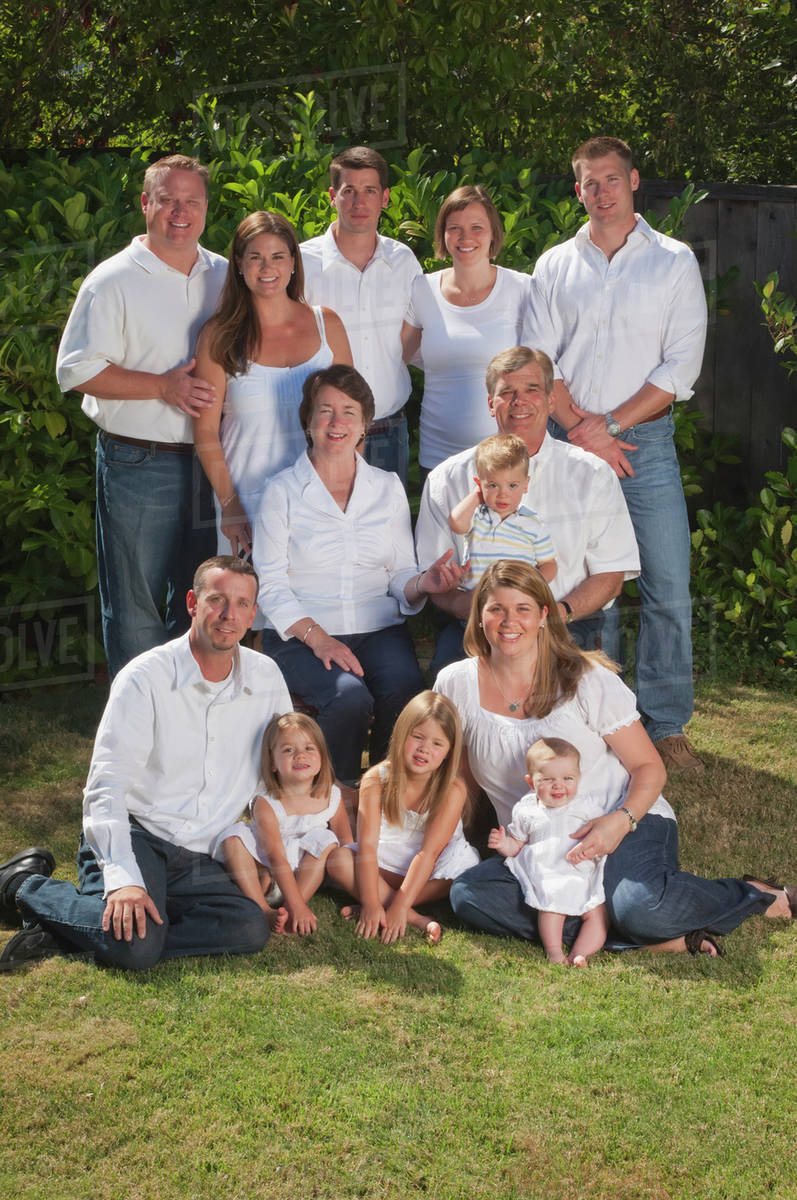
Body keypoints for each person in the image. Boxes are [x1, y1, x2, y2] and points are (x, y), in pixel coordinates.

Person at [436, 560, 796, 955]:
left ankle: (750, 895)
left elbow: (649, 767)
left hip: (624, 819)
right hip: (539, 844)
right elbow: (460, 779)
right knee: (471, 895)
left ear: (543, 615)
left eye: (522, 608)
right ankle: (642, 941)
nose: (509, 621)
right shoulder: (456, 684)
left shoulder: (585, 678)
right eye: (496, 609)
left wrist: (618, 824)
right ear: (479, 616)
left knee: (642, 908)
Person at [0, 557, 292, 972]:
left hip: (204, 852)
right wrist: (124, 879)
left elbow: (272, 781)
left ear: (253, 613)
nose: (230, 615)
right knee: (136, 948)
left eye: (243, 604)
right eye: (217, 600)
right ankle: (21, 883)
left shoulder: (267, 678)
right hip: (142, 836)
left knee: (248, 927)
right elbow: (106, 787)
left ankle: (69, 929)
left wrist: (262, 853)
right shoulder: (144, 678)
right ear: (192, 603)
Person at [525, 137, 708, 771]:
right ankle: (585, 709)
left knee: (667, 585)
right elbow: (539, 361)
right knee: (577, 582)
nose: (601, 191)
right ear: (577, 191)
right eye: (588, 182)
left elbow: (681, 364)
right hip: (566, 444)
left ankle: (665, 723)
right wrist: (581, 431)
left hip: (645, 444)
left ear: (633, 181)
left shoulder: (674, 262)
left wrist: (608, 428)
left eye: (611, 179)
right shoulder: (555, 265)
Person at [56, 154, 227, 678]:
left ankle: (192, 712)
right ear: (145, 204)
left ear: (205, 207)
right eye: (168, 199)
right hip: (138, 461)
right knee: (136, 605)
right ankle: (137, 725)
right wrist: (162, 387)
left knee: (204, 597)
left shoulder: (225, 274)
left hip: (212, 461)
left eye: (192, 201)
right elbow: (75, 371)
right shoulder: (112, 280)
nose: (181, 211)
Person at [253, 364, 464, 785]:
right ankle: (335, 799)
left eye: (349, 412)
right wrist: (318, 637)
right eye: (325, 411)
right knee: (348, 698)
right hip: (302, 635)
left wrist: (425, 583)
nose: (337, 422)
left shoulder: (385, 488)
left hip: (377, 628)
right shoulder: (281, 492)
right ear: (308, 422)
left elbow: (399, 572)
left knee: (404, 690)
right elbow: (271, 585)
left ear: (365, 424)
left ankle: (385, 795)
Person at [415, 346, 639, 673]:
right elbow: (436, 588)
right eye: (507, 392)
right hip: (479, 626)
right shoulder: (446, 480)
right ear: (491, 405)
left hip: (565, 622)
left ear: (551, 400)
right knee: (446, 685)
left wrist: (556, 612)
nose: (519, 401)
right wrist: (489, 613)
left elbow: (611, 574)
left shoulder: (592, 474)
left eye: (532, 389)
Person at [193, 210, 351, 587]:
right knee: (248, 608)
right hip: (247, 500)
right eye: (255, 257)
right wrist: (230, 505)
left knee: (315, 607)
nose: (268, 267)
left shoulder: (326, 324)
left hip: (319, 497)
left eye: (278, 256)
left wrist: (347, 493)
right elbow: (205, 431)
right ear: (239, 265)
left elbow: (351, 417)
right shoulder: (219, 335)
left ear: (294, 262)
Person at [301, 146, 421, 484]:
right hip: (324, 434)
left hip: (388, 429)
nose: (359, 202)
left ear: (385, 198)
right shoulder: (302, 263)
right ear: (332, 196)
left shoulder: (404, 261)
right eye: (348, 191)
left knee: (385, 535)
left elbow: (414, 336)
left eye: (369, 191)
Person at [326, 692, 479, 944]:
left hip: (431, 869)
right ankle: (413, 916)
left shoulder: (453, 789)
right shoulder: (376, 779)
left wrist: (390, 903)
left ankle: (384, 901)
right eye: (417, 737)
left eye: (437, 744)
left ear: (449, 751)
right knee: (338, 860)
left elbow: (428, 854)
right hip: (385, 861)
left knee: (458, 880)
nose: (424, 749)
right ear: (400, 735)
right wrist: (373, 904)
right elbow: (367, 846)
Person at [401, 185, 533, 473]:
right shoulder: (422, 289)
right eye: (455, 228)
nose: (466, 237)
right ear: (442, 234)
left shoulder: (522, 289)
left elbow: (543, 368)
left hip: (507, 461)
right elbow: (398, 356)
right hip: (438, 460)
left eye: (477, 227)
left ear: (494, 234)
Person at [215, 712, 353, 936]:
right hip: (270, 867)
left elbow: (347, 844)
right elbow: (276, 856)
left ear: (322, 756)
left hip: (305, 877)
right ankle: (262, 908)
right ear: (272, 764)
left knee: (327, 840)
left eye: (309, 748)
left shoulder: (332, 796)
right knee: (233, 837)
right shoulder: (266, 802)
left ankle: (291, 906)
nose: (300, 755)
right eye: (288, 750)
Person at [488, 738, 608, 966]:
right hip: (548, 872)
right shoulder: (527, 810)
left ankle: (579, 954)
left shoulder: (587, 806)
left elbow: (599, 834)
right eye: (548, 780)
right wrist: (503, 843)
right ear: (532, 783)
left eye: (567, 779)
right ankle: (554, 952)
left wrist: (590, 849)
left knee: (598, 914)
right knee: (552, 907)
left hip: (582, 871)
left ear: (578, 779)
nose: (558, 785)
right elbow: (517, 844)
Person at [448, 432, 557, 589]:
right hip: (477, 600)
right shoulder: (477, 517)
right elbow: (456, 524)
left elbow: (549, 564)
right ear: (479, 484)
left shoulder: (533, 524)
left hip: (517, 597)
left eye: (512, 485)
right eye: (493, 485)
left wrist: (531, 585)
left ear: (525, 484)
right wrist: (477, 494)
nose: (502, 494)